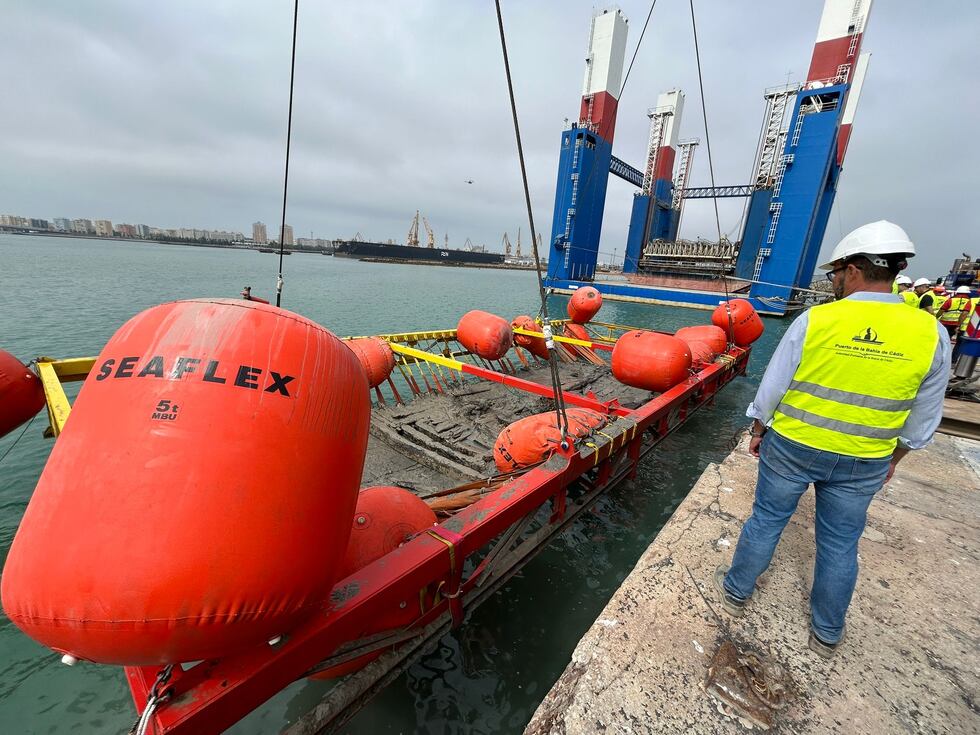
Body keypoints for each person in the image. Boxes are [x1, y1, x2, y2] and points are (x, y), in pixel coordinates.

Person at [713, 220, 950, 659]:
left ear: (855, 270)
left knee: (766, 521)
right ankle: (826, 632)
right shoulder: (931, 332)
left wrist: (759, 429)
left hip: (793, 446)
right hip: (865, 459)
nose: (834, 280)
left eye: (836, 272)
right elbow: (923, 419)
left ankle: (736, 592)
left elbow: (773, 387)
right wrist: (894, 457)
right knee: (840, 543)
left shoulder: (818, 319)